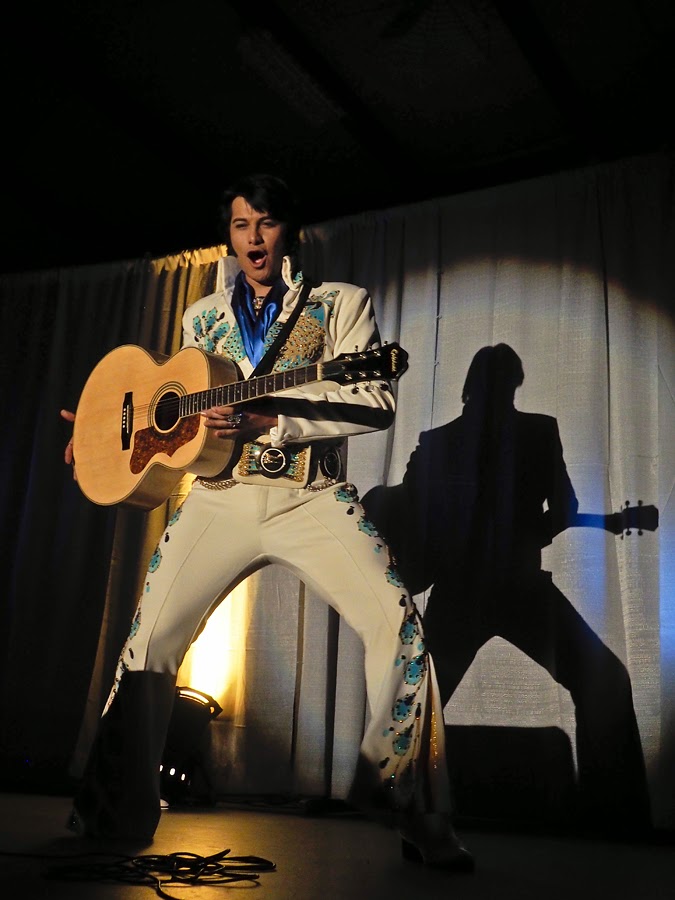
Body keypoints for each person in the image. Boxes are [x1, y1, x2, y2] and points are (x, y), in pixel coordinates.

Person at [61, 173, 473, 869]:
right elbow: (172, 413)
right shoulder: (200, 319)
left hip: (310, 495)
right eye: (241, 224)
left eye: (266, 223)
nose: (253, 238)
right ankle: (111, 819)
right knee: (147, 646)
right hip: (218, 496)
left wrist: (274, 418)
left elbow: (374, 400)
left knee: (398, 627)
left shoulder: (340, 303)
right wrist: (102, 437)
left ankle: (415, 810)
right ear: (229, 235)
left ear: (290, 231)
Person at [363, 343, 651, 835]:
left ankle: (380, 802)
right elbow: (562, 511)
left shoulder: (437, 441)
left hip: (460, 592)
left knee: (417, 701)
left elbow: (409, 514)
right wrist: (531, 532)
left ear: (468, 387)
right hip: (518, 587)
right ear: (515, 384)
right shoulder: (538, 431)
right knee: (604, 681)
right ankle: (613, 818)